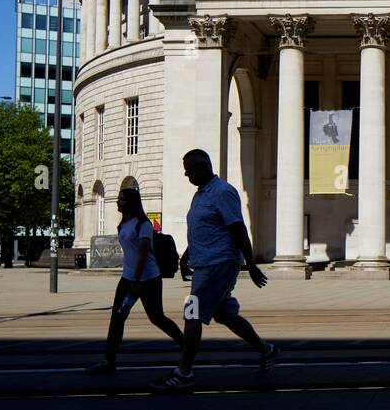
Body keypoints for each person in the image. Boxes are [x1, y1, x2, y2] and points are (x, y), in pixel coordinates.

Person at [150, 149, 277, 392]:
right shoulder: (200, 195)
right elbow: (203, 228)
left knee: (192, 313)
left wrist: (250, 264)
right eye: (186, 170)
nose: (186, 174)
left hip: (219, 263)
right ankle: (267, 350)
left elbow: (239, 228)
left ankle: (184, 372)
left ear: (204, 166)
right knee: (225, 315)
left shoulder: (222, 192)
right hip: (205, 263)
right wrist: (187, 255)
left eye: (190, 169)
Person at [86, 186, 184, 373]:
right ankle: (109, 361)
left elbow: (143, 254)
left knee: (156, 317)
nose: (118, 202)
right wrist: (130, 278)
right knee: (117, 318)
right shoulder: (123, 224)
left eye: (122, 200)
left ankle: (186, 345)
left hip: (148, 279)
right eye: (118, 199)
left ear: (131, 202)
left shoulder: (143, 225)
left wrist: (136, 281)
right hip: (128, 278)